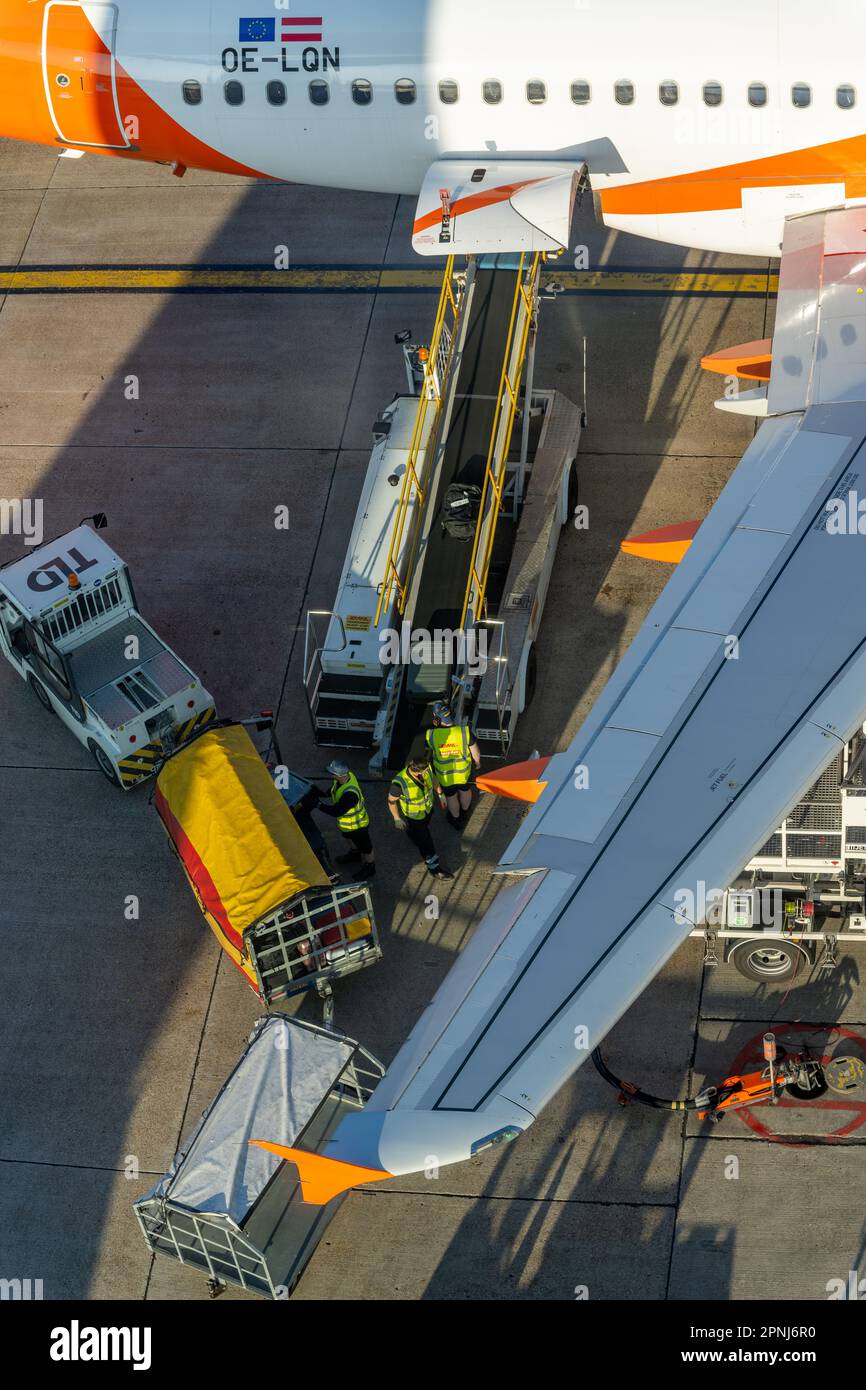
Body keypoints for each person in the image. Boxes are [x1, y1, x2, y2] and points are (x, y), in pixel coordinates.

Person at [388, 754, 454, 880]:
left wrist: (440, 794)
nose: (428, 770)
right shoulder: (399, 783)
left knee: (420, 831)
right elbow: (391, 801)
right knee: (427, 843)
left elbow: (433, 778)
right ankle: (434, 869)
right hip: (414, 816)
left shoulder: (425, 768)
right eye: (425, 770)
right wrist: (396, 818)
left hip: (427, 810)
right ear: (418, 770)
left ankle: (412, 833)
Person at [315, 760, 375, 881]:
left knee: (366, 847)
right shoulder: (345, 777)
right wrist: (320, 793)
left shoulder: (350, 794)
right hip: (347, 825)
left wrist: (318, 804)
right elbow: (333, 790)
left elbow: (336, 811)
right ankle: (355, 854)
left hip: (358, 826)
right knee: (348, 837)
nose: (331, 775)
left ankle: (370, 867)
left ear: (340, 775)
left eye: (333, 773)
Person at [425, 701, 481, 829]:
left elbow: (429, 750)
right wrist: (477, 763)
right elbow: (475, 752)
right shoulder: (464, 732)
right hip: (464, 773)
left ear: (436, 716)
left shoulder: (431, 735)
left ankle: (456, 819)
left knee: (451, 797)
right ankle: (465, 812)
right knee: (465, 791)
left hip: (445, 776)